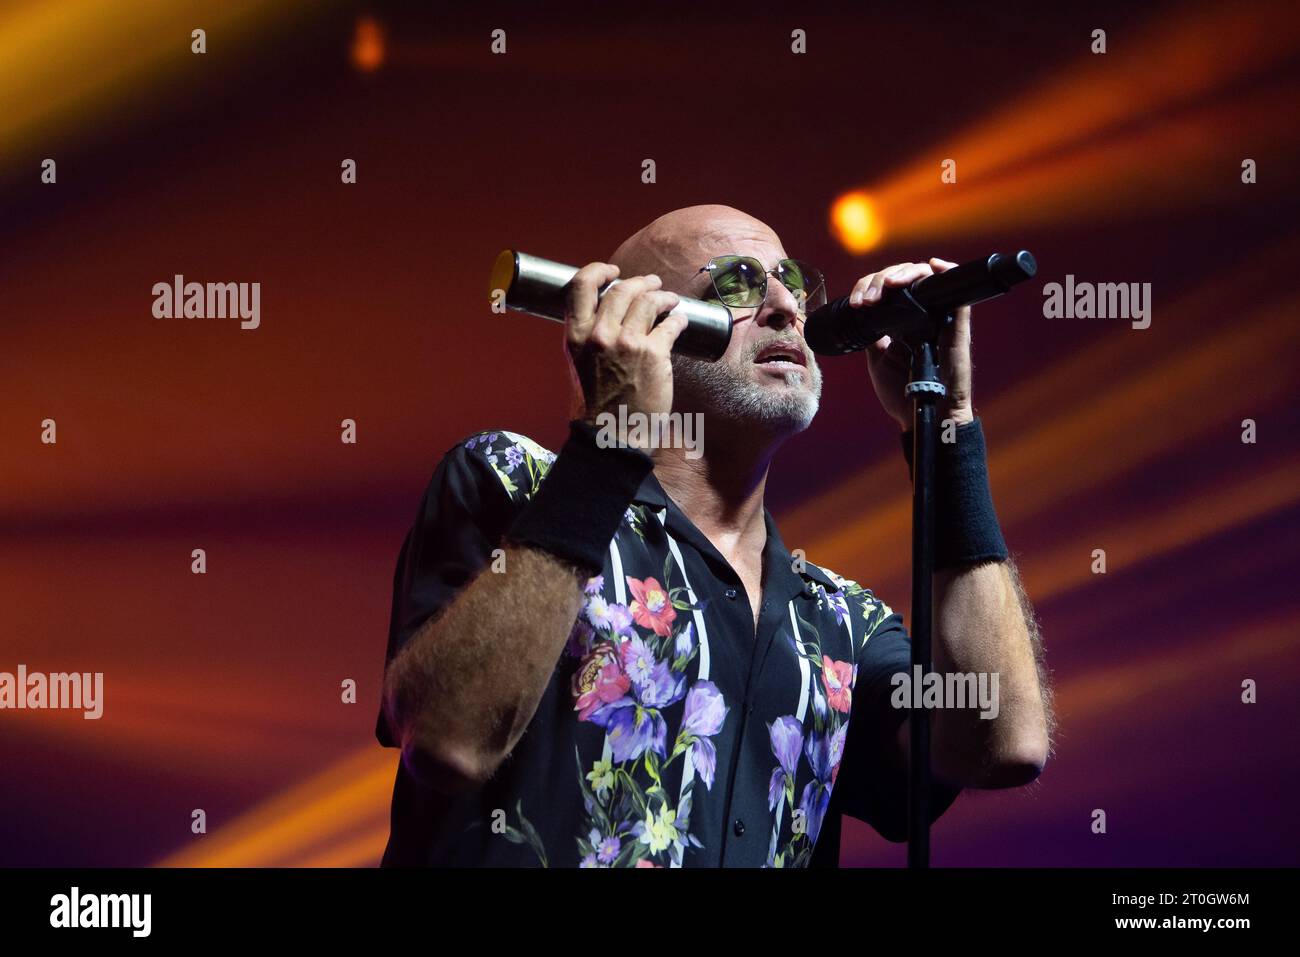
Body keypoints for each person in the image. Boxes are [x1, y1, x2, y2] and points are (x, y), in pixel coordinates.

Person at [375, 204, 1053, 867]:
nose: (787, 307)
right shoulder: (510, 480)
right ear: (638, 324)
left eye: (792, 281)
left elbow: (1003, 743)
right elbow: (448, 738)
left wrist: (947, 430)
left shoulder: (841, 622)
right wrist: (609, 443)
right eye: (736, 282)